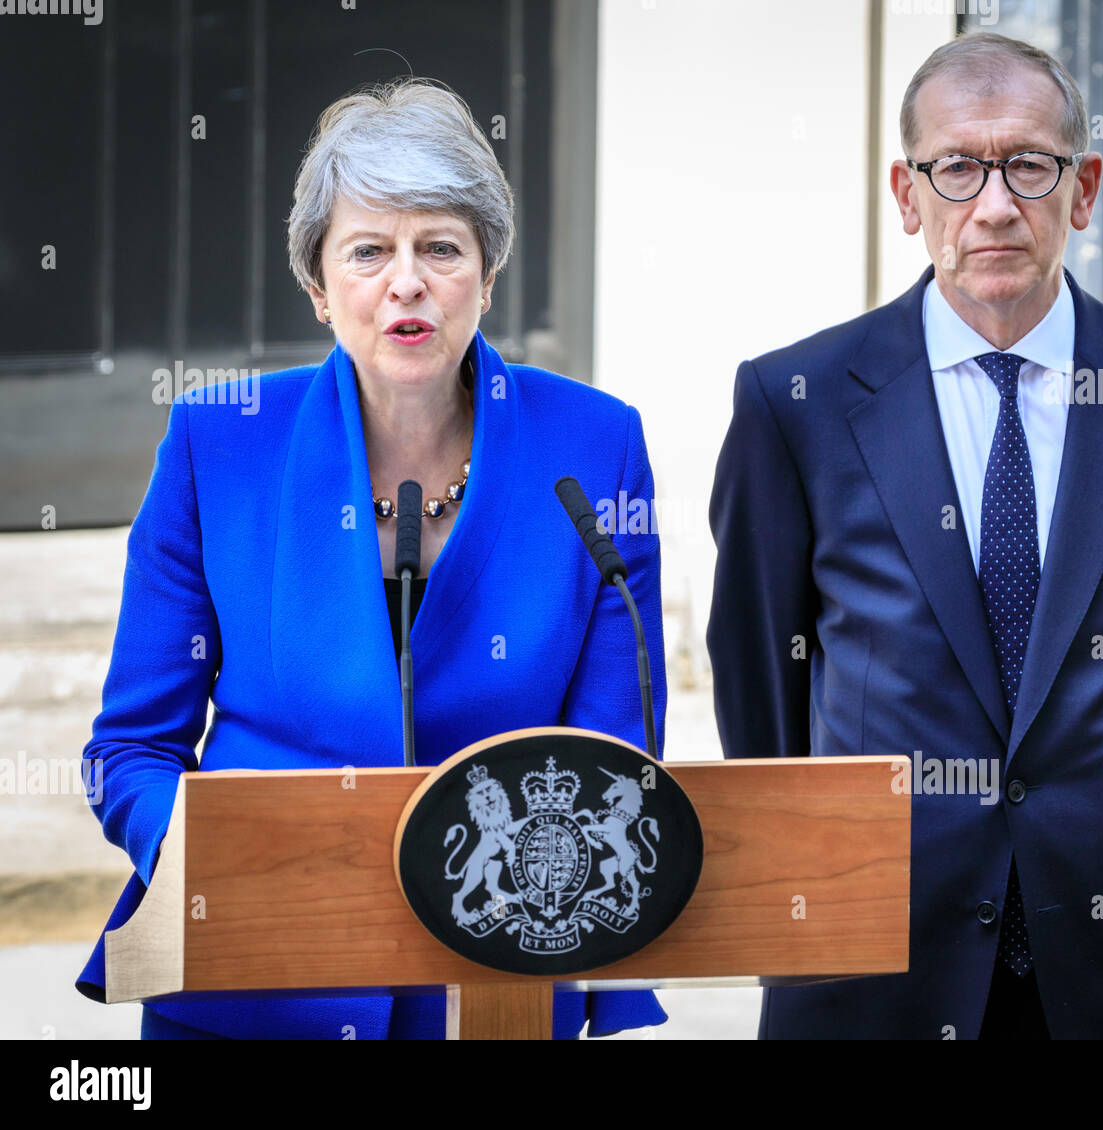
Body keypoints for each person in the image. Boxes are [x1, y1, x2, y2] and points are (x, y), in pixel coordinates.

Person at [75, 78, 668, 1040]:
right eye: (368, 251)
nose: (407, 282)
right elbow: (128, 753)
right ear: (318, 288)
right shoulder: (217, 442)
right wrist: (227, 860)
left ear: (487, 274)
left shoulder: (596, 447)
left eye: (440, 247)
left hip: (500, 978)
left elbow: (615, 759)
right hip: (255, 979)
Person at [707, 31, 1103, 1039]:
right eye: (957, 167)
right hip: (868, 949)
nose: (995, 203)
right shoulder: (795, 401)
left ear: (1082, 188)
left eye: (1029, 165)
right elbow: (759, 683)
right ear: (907, 192)